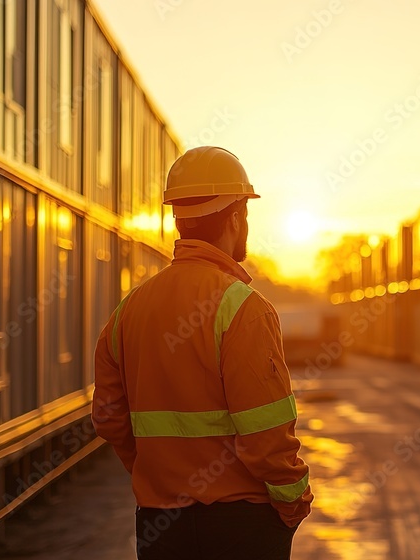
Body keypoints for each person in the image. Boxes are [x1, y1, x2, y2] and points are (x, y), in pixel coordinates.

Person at [92, 146, 313, 560]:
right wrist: (293, 500)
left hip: (160, 525)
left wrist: (156, 475)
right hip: (241, 524)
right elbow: (267, 435)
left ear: (180, 219)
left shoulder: (129, 310)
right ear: (235, 217)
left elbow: (108, 417)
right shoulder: (244, 308)